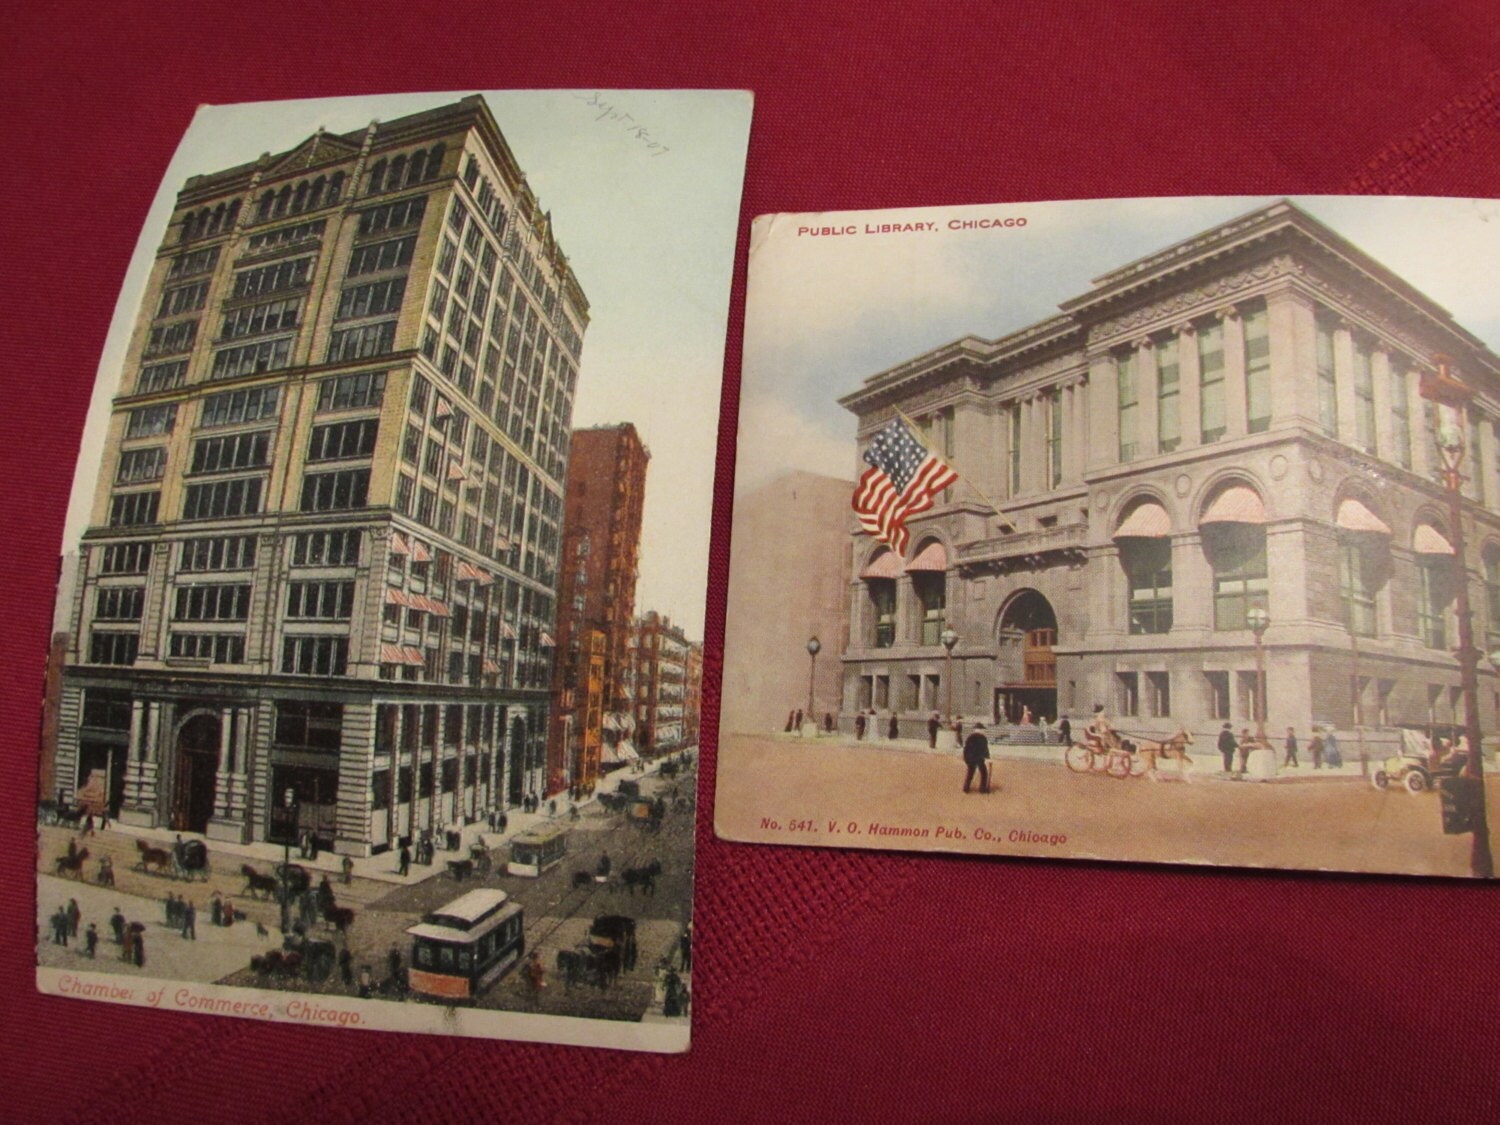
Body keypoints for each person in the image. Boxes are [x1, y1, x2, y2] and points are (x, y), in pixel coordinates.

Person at [962, 723, 991, 794]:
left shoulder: (970, 737)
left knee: (970, 773)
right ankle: (982, 789)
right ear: (980, 730)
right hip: (979, 758)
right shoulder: (982, 738)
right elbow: (984, 749)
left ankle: (966, 788)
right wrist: (988, 757)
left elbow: (966, 749)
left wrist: (966, 758)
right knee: (984, 773)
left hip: (970, 758)